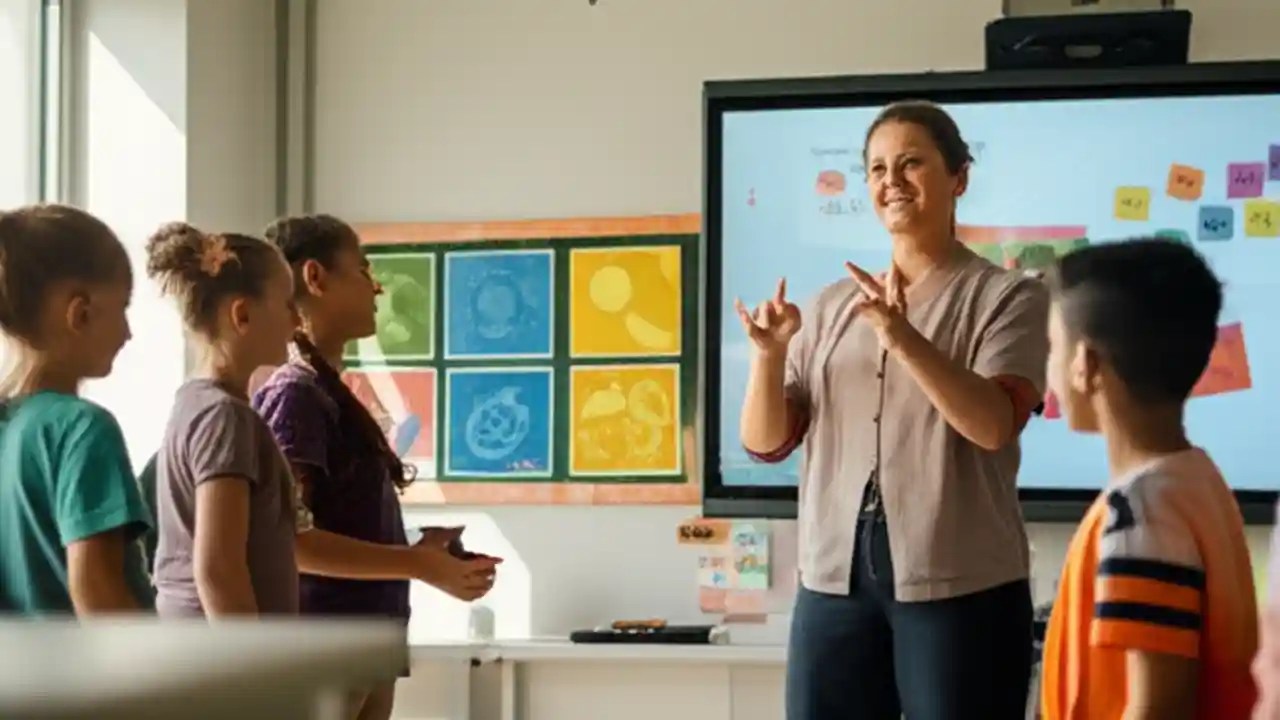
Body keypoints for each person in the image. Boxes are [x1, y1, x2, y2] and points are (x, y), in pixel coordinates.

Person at [737, 100, 1048, 719]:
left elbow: (992, 425)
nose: (892, 182)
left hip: (961, 581)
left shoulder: (1008, 296)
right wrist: (769, 357)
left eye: (911, 164)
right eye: (877, 169)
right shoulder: (829, 306)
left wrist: (902, 337)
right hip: (832, 580)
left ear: (959, 177)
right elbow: (766, 444)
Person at [253, 214, 501, 720]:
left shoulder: (327, 392)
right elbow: (291, 542)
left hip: (367, 642)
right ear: (315, 278)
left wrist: (423, 552)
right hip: (323, 646)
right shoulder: (296, 395)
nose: (378, 287)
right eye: (363, 271)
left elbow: (333, 523)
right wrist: (417, 565)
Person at [1040, 238, 1258, 720]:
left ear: (1086, 365)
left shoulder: (1139, 513)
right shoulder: (1194, 478)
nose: (1047, 367)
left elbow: (1160, 704)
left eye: (1052, 347)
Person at [0, 204, 152, 614]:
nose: (128, 333)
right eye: (123, 307)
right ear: (80, 312)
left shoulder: (9, 426)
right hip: (91, 660)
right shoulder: (83, 428)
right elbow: (99, 596)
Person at [147, 222, 305, 616]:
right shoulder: (224, 417)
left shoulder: (196, 402)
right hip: (219, 650)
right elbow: (218, 570)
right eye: (287, 304)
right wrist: (249, 655)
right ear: (243, 314)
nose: (297, 321)